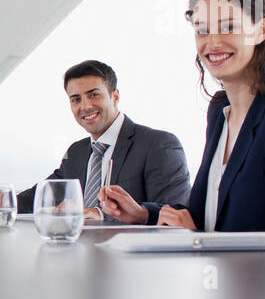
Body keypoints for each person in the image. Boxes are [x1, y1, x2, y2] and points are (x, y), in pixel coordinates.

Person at [101, 0, 265, 231]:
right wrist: (145, 214)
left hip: (257, 273)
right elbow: (210, 215)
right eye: (202, 30)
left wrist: (198, 239)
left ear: (260, 30)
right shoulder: (220, 113)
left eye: (228, 27)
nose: (212, 42)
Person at [16, 60, 189, 219]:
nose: (85, 106)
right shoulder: (76, 152)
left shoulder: (158, 144)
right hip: (79, 250)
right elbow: (43, 195)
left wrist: (101, 214)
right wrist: (2, 204)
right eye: (76, 99)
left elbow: (173, 212)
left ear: (115, 96)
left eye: (93, 95)